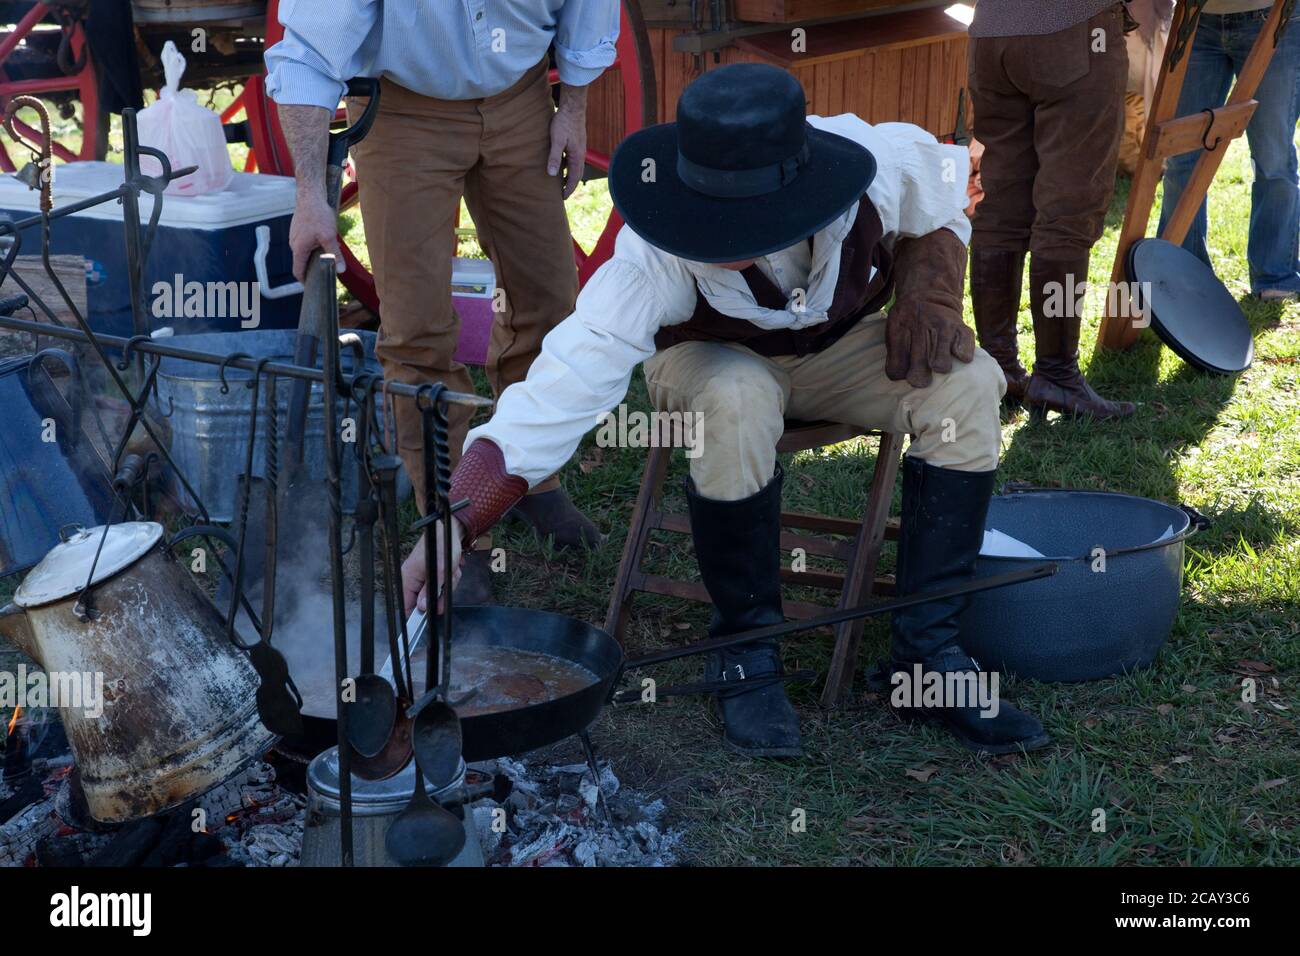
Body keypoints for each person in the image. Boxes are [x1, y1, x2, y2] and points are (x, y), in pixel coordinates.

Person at [400, 64, 1051, 759]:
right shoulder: (651, 255)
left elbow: (948, 196)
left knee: (971, 382)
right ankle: (746, 654)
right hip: (707, 360)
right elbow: (565, 379)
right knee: (737, 397)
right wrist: (458, 521)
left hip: (831, 353)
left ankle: (926, 658)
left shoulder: (878, 163)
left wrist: (931, 286)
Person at [263, 0, 614, 603]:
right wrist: (308, 194)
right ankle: (446, 517)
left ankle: (533, 477)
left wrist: (572, 109)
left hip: (522, 98)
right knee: (418, 332)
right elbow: (308, 53)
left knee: (549, 305)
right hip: (403, 113)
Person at [966, 0, 1136, 419]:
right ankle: (1056, 377)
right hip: (1074, 27)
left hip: (991, 31)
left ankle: (998, 369)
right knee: (1068, 210)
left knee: (999, 206)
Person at [1159, 1, 1300, 301]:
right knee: (1181, 155)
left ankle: (1275, 276)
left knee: (1272, 157)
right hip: (1195, 18)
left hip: (1274, 16)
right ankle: (1183, 273)